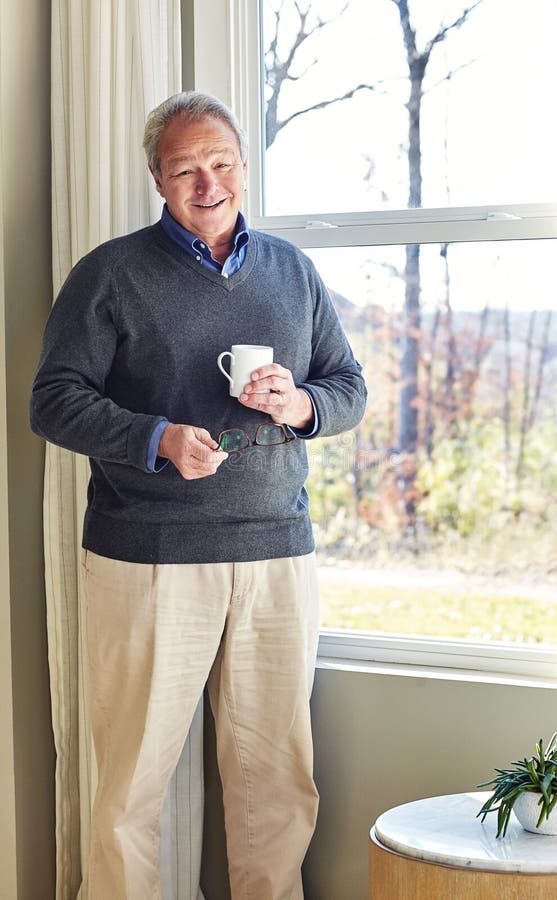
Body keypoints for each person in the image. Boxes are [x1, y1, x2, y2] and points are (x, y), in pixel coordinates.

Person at [31, 91, 367, 900]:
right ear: (158, 178)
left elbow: (348, 387)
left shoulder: (292, 270)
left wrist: (299, 403)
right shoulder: (110, 274)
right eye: (185, 169)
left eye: (220, 163)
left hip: (276, 554)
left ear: (245, 168)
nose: (207, 183)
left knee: (277, 787)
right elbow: (54, 401)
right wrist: (157, 440)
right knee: (130, 791)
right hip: (149, 557)